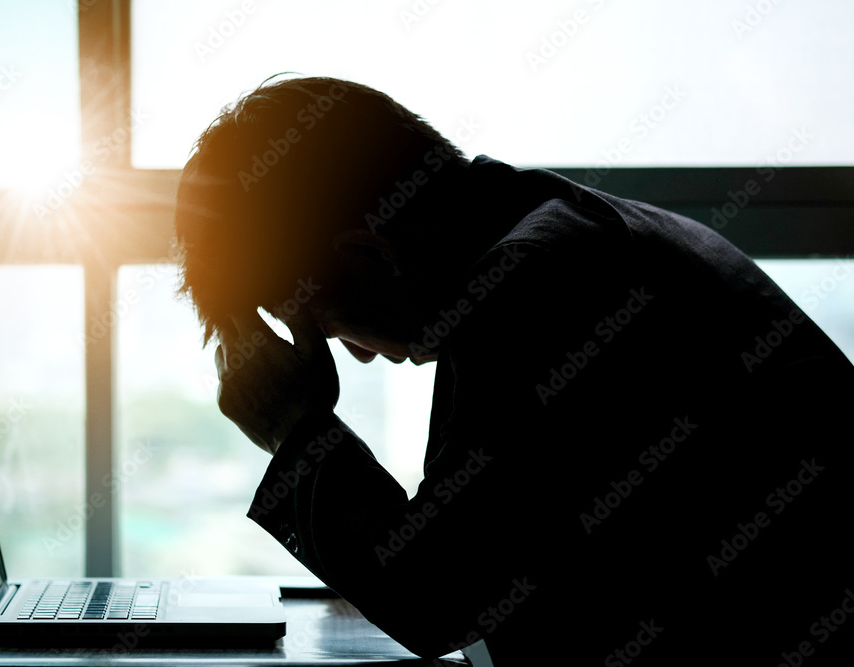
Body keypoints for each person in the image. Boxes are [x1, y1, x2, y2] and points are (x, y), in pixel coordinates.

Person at [174, 75, 854, 664]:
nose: (355, 354)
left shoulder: (528, 287)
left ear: (371, 256)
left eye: (324, 322)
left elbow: (440, 595)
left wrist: (298, 430)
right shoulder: (558, 236)